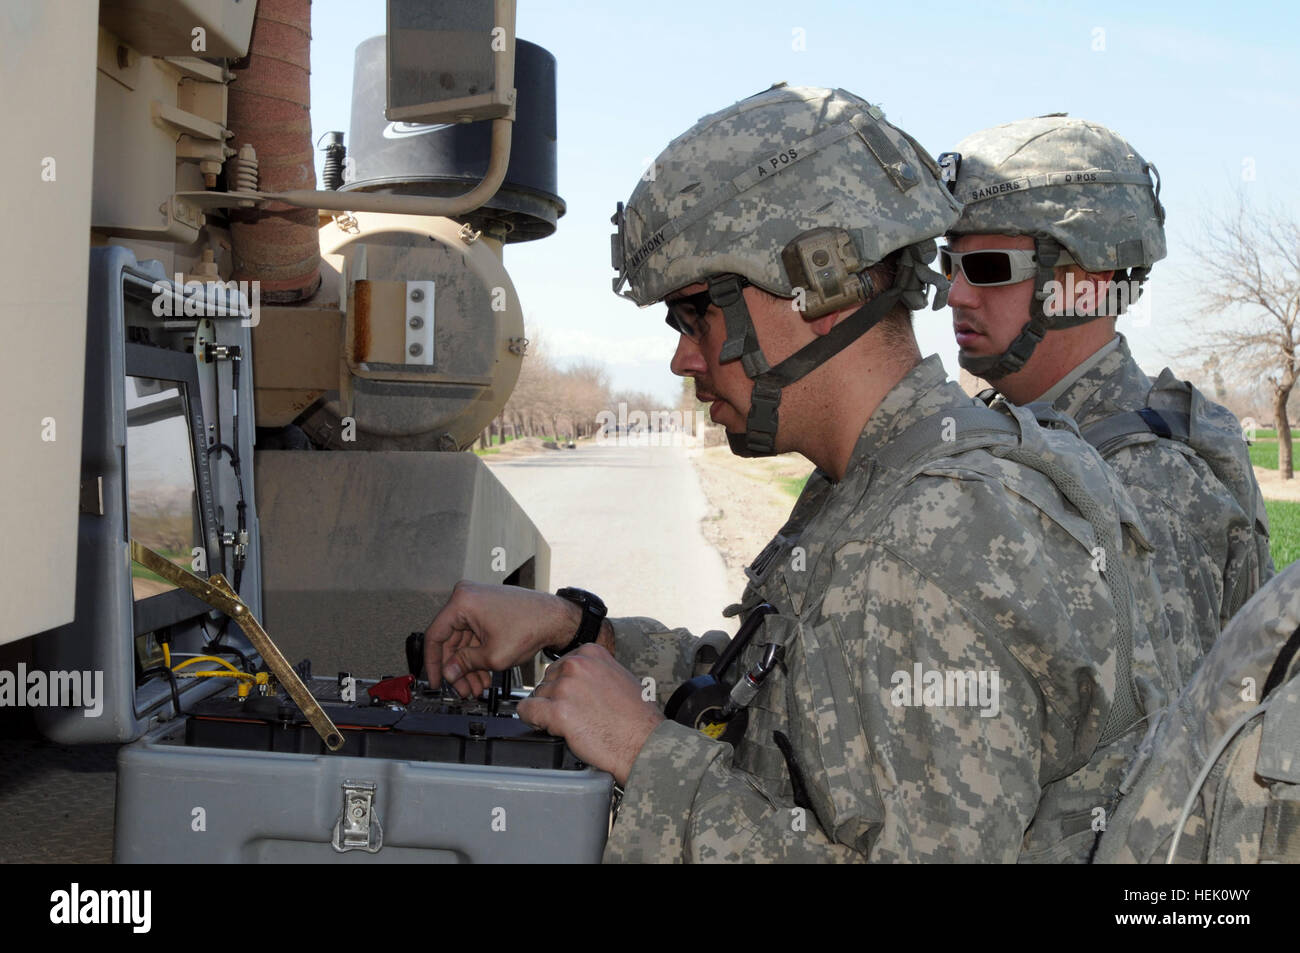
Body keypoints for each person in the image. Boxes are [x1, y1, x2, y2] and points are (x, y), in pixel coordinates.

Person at [424, 86, 1174, 862]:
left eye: (696, 313)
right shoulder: (875, 481)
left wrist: (649, 756)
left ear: (822, 285)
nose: (682, 356)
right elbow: (783, 700)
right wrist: (582, 632)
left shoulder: (934, 538)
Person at [942, 115, 1274, 684]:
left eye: (989, 268)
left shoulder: (1142, 478)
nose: (956, 293)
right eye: (951, 262)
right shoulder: (1018, 429)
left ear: (1088, 280)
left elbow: (1161, 754)